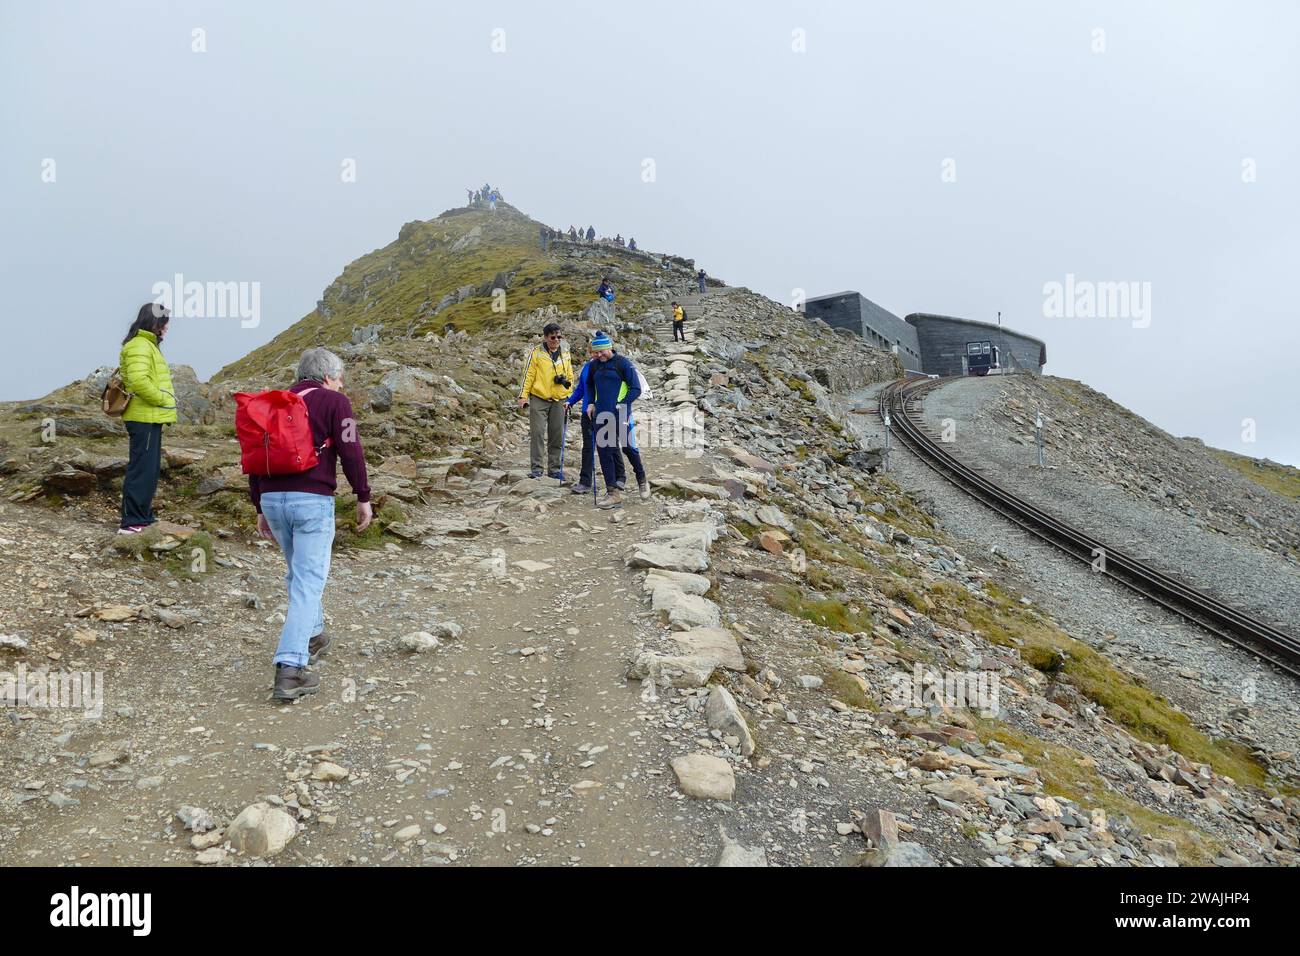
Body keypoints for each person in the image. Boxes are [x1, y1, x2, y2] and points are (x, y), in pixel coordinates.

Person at [250, 348, 372, 702]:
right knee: (307, 583)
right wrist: (363, 496)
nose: (342, 384)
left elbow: (257, 456)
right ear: (327, 376)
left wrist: (260, 504)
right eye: (340, 378)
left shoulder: (274, 403)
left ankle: (315, 635)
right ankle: (290, 669)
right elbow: (351, 450)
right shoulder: (336, 403)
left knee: (297, 574)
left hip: (273, 499)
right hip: (312, 500)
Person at [118, 303, 177, 533]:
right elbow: (139, 381)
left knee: (149, 468)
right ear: (156, 323)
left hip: (149, 416)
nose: (168, 327)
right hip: (143, 416)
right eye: (165, 322)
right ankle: (132, 520)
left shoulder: (146, 345)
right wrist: (164, 399)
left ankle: (142, 516)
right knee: (142, 468)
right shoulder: (140, 346)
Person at [584, 330, 644, 508]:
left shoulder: (622, 363)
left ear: (609, 348)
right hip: (601, 414)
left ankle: (641, 478)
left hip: (621, 412)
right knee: (605, 452)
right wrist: (591, 403)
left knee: (628, 448)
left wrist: (622, 404)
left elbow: (636, 388)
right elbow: (589, 384)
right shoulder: (594, 365)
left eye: (602, 351)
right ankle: (613, 493)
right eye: (596, 352)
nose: (599, 355)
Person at [517, 322, 574, 478]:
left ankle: (555, 470)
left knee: (557, 434)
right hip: (539, 398)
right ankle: (536, 469)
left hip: (560, 399)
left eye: (559, 337)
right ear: (545, 337)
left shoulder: (566, 353)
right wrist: (523, 396)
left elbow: (570, 376)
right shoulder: (536, 353)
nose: (556, 340)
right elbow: (528, 376)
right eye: (553, 337)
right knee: (537, 434)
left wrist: (569, 394)